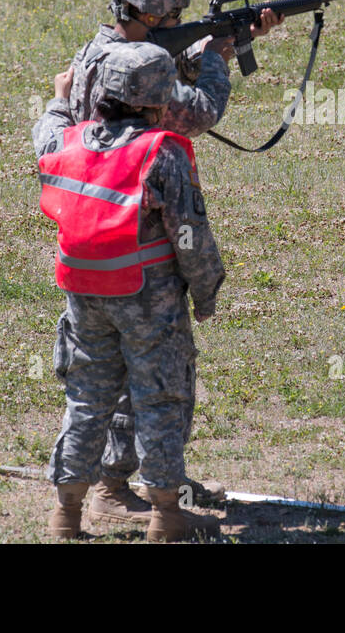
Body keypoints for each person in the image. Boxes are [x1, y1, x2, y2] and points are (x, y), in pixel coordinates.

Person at [64, 0, 282, 527]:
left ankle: (110, 488)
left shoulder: (93, 55)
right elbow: (198, 110)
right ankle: (154, 495)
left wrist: (224, 43)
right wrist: (214, 59)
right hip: (149, 247)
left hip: (93, 242)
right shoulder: (150, 100)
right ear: (160, 14)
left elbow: (144, 84)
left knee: (101, 383)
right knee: (160, 382)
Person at [34, 41, 225, 542]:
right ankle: (166, 517)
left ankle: (66, 516)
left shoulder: (68, 140)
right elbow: (190, 234)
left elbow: (45, 135)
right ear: (159, 101)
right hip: (149, 302)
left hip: (83, 297)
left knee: (86, 400)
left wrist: (58, 98)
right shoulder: (162, 152)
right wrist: (206, 291)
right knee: (160, 397)